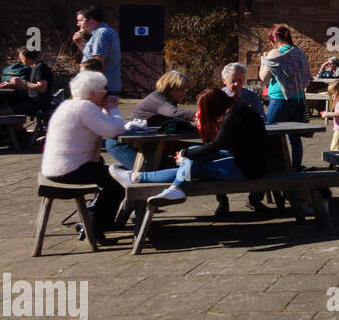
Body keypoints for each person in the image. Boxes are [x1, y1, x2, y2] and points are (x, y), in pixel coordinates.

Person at [115, 88, 268, 205]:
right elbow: (220, 145)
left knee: (195, 167)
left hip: (246, 169)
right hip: (246, 160)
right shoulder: (240, 110)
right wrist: (189, 154)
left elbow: (215, 146)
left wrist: (185, 153)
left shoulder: (232, 118)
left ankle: (140, 178)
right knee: (194, 156)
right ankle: (170, 188)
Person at [39, 70, 124, 237]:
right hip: (69, 170)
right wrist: (113, 108)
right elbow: (114, 130)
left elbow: (104, 126)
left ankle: (101, 222)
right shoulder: (85, 107)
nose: (107, 93)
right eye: (104, 90)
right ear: (93, 93)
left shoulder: (69, 104)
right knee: (119, 182)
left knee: (110, 174)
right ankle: (93, 227)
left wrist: (105, 109)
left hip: (54, 168)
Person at [105, 70, 193, 169]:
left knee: (176, 165)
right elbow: (174, 113)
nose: (183, 93)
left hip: (141, 143)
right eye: (180, 89)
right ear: (170, 87)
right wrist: (197, 115)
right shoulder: (157, 98)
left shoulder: (171, 101)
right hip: (120, 143)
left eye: (185, 90)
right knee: (146, 171)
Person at [217, 62, 268, 216]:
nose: (236, 84)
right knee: (214, 160)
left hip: (248, 143)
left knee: (267, 156)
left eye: (240, 80)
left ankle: (255, 198)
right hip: (225, 142)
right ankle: (222, 201)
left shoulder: (250, 96)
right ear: (223, 80)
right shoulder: (218, 97)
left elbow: (263, 118)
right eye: (233, 80)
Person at [259, 24, 312, 169]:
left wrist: (262, 62)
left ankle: (271, 167)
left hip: (279, 99)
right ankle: (295, 167)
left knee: (268, 133)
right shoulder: (299, 53)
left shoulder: (275, 53)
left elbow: (262, 77)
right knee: (294, 137)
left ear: (275, 38)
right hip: (298, 99)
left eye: (271, 40)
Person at [72, 7, 122, 96]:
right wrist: (79, 43)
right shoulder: (104, 32)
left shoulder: (101, 34)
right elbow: (93, 57)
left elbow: (97, 63)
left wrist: (89, 88)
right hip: (106, 86)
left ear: (91, 20)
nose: (78, 24)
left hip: (101, 88)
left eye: (80, 20)